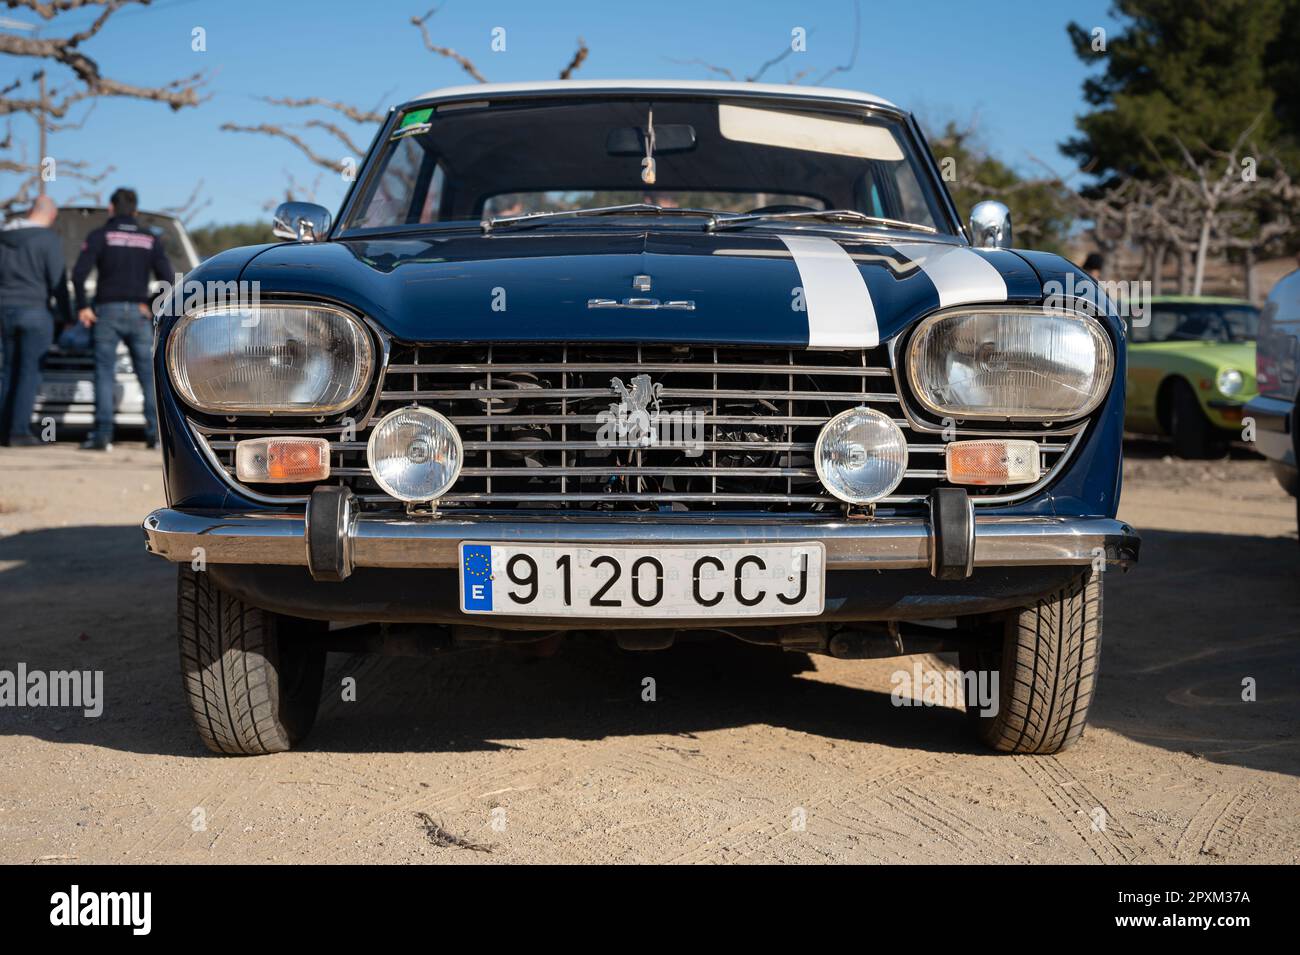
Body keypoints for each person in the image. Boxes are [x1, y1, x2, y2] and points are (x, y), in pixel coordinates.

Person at [72, 187, 172, 451]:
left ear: (110, 208)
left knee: (104, 373)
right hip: (139, 315)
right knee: (148, 375)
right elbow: (169, 279)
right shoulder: (149, 238)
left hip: (106, 311)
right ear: (136, 211)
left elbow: (78, 275)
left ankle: (102, 435)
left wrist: (83, 307)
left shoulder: (100, 235)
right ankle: (156, 435)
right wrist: (151, 306)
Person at [0, 195, 68, 447]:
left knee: (8, 371)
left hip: (5, 310)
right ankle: (18, 432)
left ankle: (4, 429)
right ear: (51, 215)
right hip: (34, 312)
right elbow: (58, 281)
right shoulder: (48, 239)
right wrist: (67, 315)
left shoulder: (4, 237)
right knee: (29, 372)